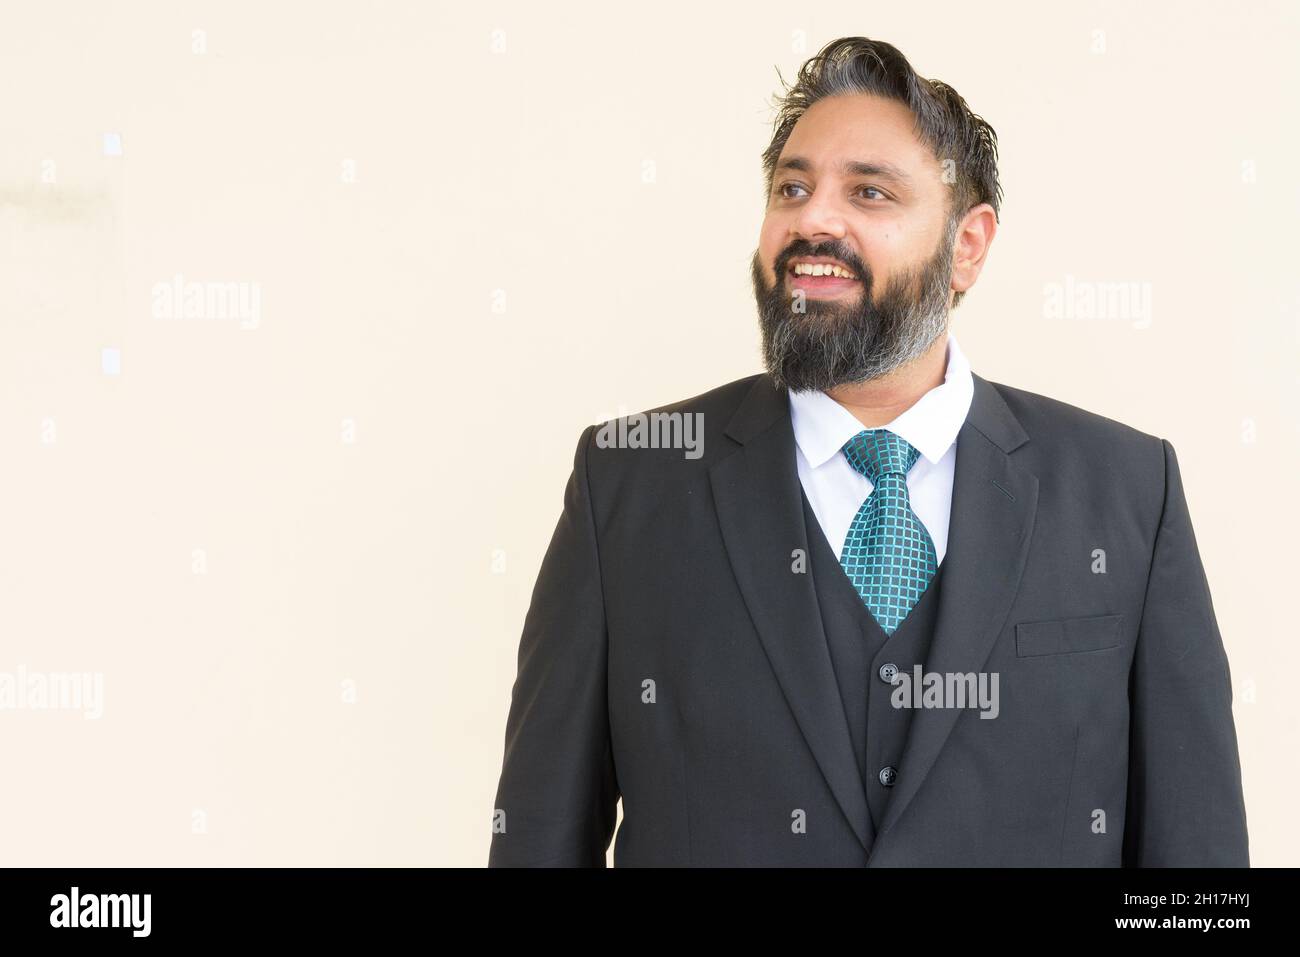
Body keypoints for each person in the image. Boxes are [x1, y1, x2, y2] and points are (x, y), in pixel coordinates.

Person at [487, 36, 1249, 867]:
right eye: (793, 187)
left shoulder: (1130, 493)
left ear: (968, 246)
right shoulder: (625, 486)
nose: (814, 218)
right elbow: (537, 840)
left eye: (870, 192)